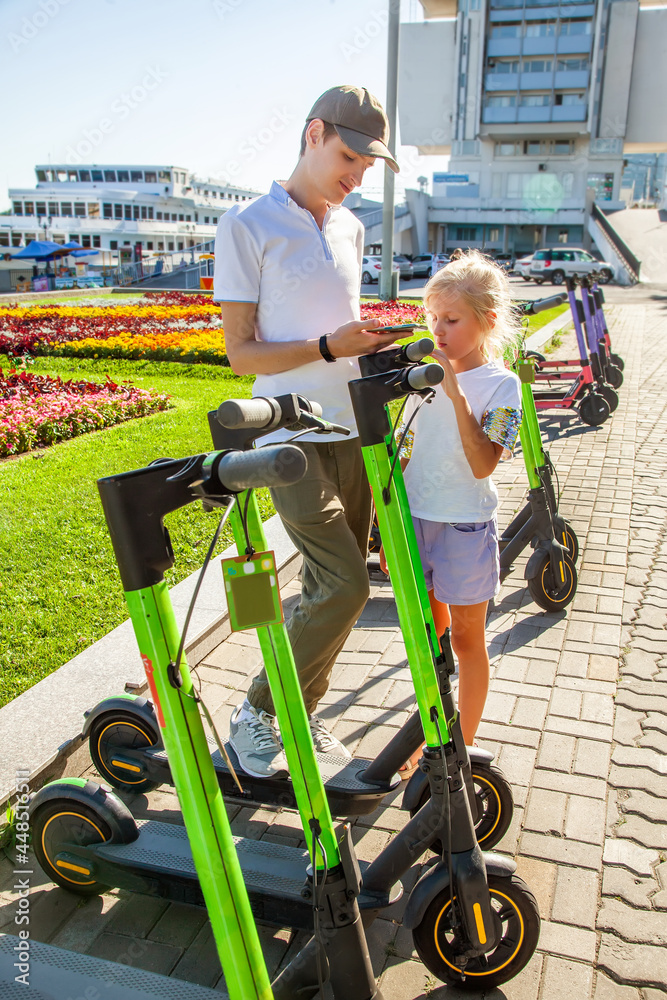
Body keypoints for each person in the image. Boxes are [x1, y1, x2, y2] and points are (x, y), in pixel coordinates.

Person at [213, 85, 401, 778]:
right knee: (345, 585)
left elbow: (338, 334)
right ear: (314, 133)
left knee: (336, 591)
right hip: (284, 437)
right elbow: (242, 353)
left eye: (368, 165)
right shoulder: (247, 224)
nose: (357, 175)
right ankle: (256, 715)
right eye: (349, 156)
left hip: (350, 428)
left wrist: (367, 346)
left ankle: (297, 711)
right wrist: (326, 346)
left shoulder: (350, 227)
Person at [382, 248, 522, 766]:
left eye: (451, 319)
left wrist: (456, 391)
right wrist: (384, 519)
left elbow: (486, 462)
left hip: (465, 527)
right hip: (415, 522)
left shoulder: (504, 387)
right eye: (432, 318)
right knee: (429, 641)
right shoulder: (421, 379)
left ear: (485, 322)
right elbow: (402, 445)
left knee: (466, 639)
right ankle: (426, 737)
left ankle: (457, 747)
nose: (437, 331)